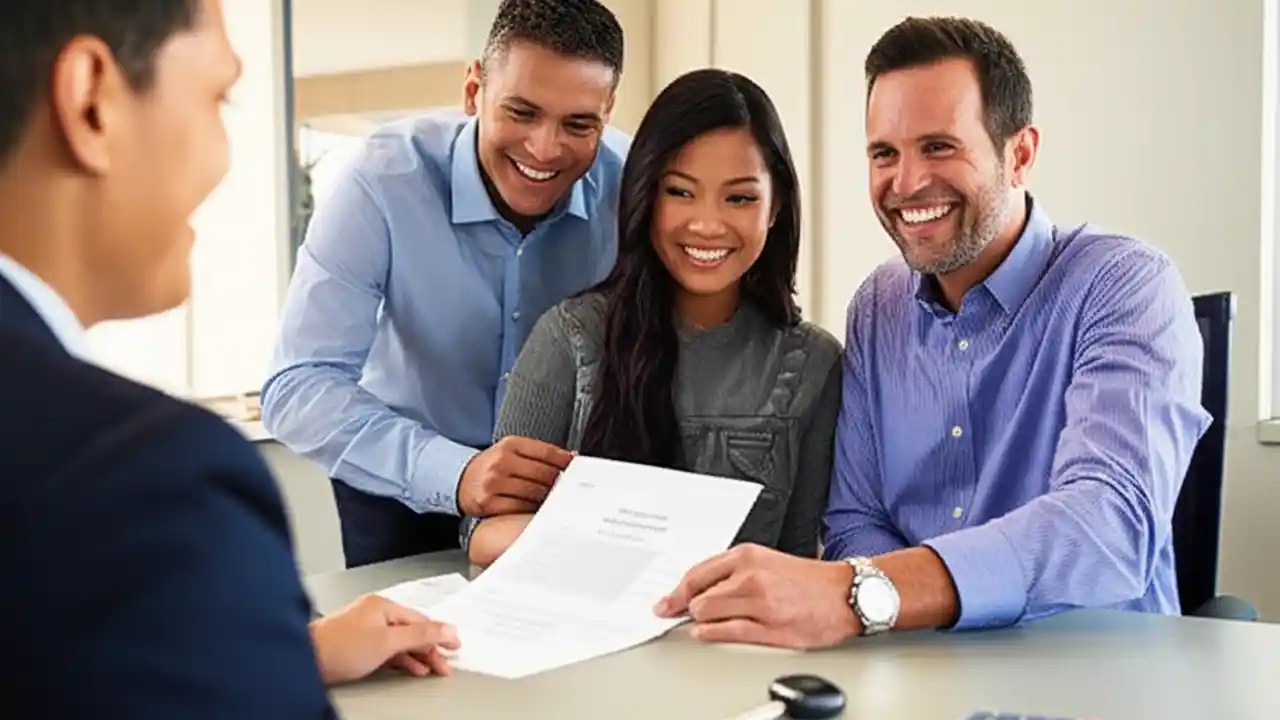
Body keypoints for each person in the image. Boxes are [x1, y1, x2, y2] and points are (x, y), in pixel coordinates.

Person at [654, 16, 1211, 649]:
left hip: (1094, 673)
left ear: (1020, 153)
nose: (908, 182)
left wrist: (864, 595)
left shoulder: (1125, 285)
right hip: (917, 673)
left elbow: (1110, 525)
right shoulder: (876, 308)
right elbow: (855, 520)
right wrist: (889, 610)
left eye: (939, 147)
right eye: (884, 153)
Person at [0, 1, 459, 715]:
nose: (226, 158)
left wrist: (267, 648)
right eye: (220, 97)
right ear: (91, 103)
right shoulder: (148, 483)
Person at [261, 0, 631, 569]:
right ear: (473, 90)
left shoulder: (633, 188)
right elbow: (298, 385)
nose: (544, 148)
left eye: (578, 124)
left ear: (606, 114)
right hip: (399, 486)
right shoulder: (381, 181)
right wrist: (454, 471)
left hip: (561, 491)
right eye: (522, 112)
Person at [462, 68, 843, 568]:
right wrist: (630, 548)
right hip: (587, 634)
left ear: (775, 209)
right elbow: (483, 533)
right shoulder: (572, 336)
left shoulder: (814, 361)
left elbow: (798, 557)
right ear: (645, 195)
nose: (707, 224)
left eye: (740, 198)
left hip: (733, 643)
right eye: (680, 192)